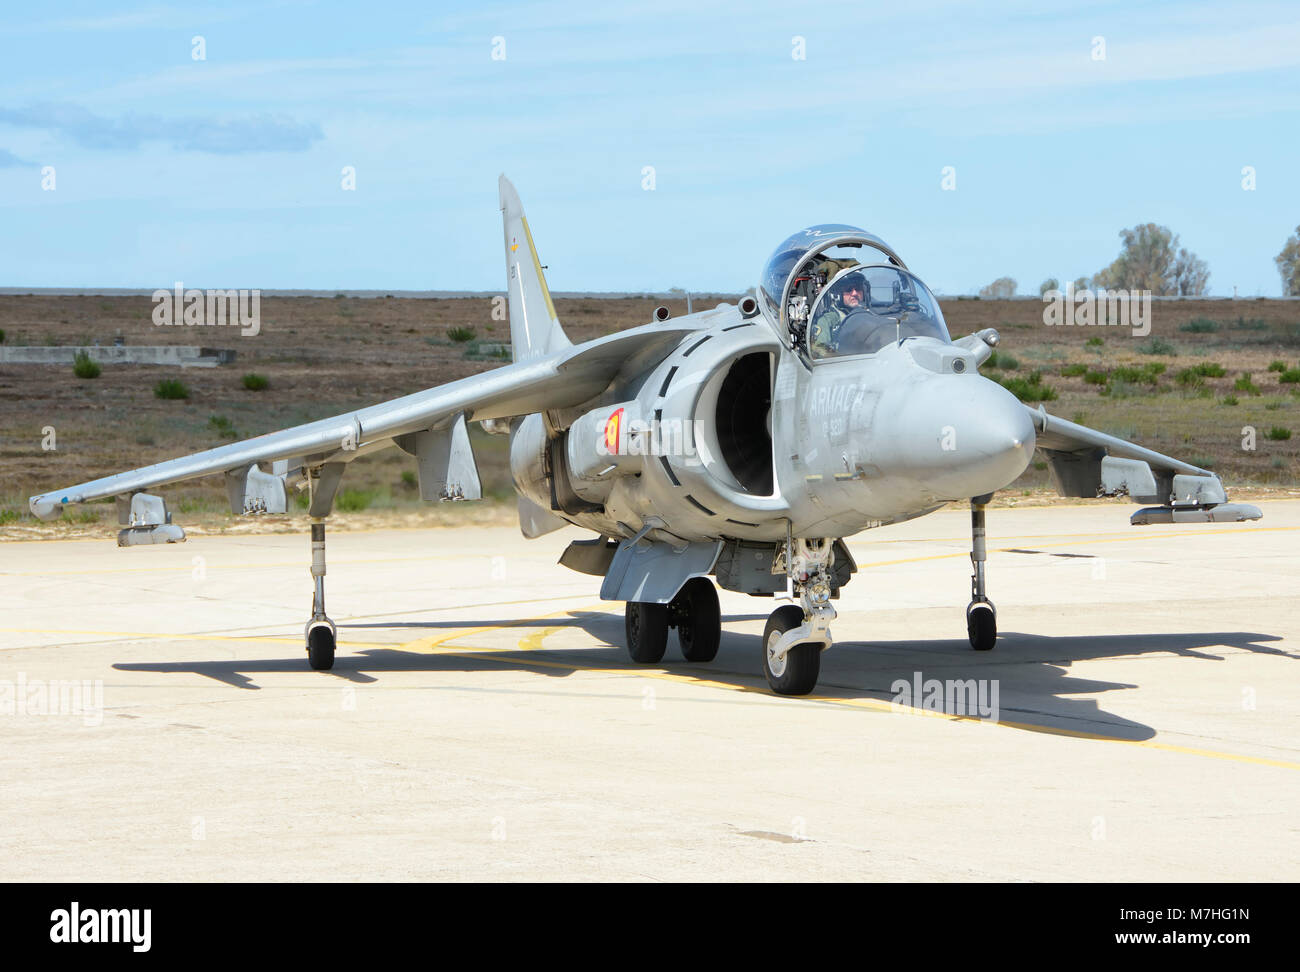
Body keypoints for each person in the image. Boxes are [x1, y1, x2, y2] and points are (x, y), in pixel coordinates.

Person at [809, 271, 869, 356]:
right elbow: (819, 349)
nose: (855, 293)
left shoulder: (870, 315)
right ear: (837, 294)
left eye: (858, 288)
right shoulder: (827, 321)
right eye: (848, 289)